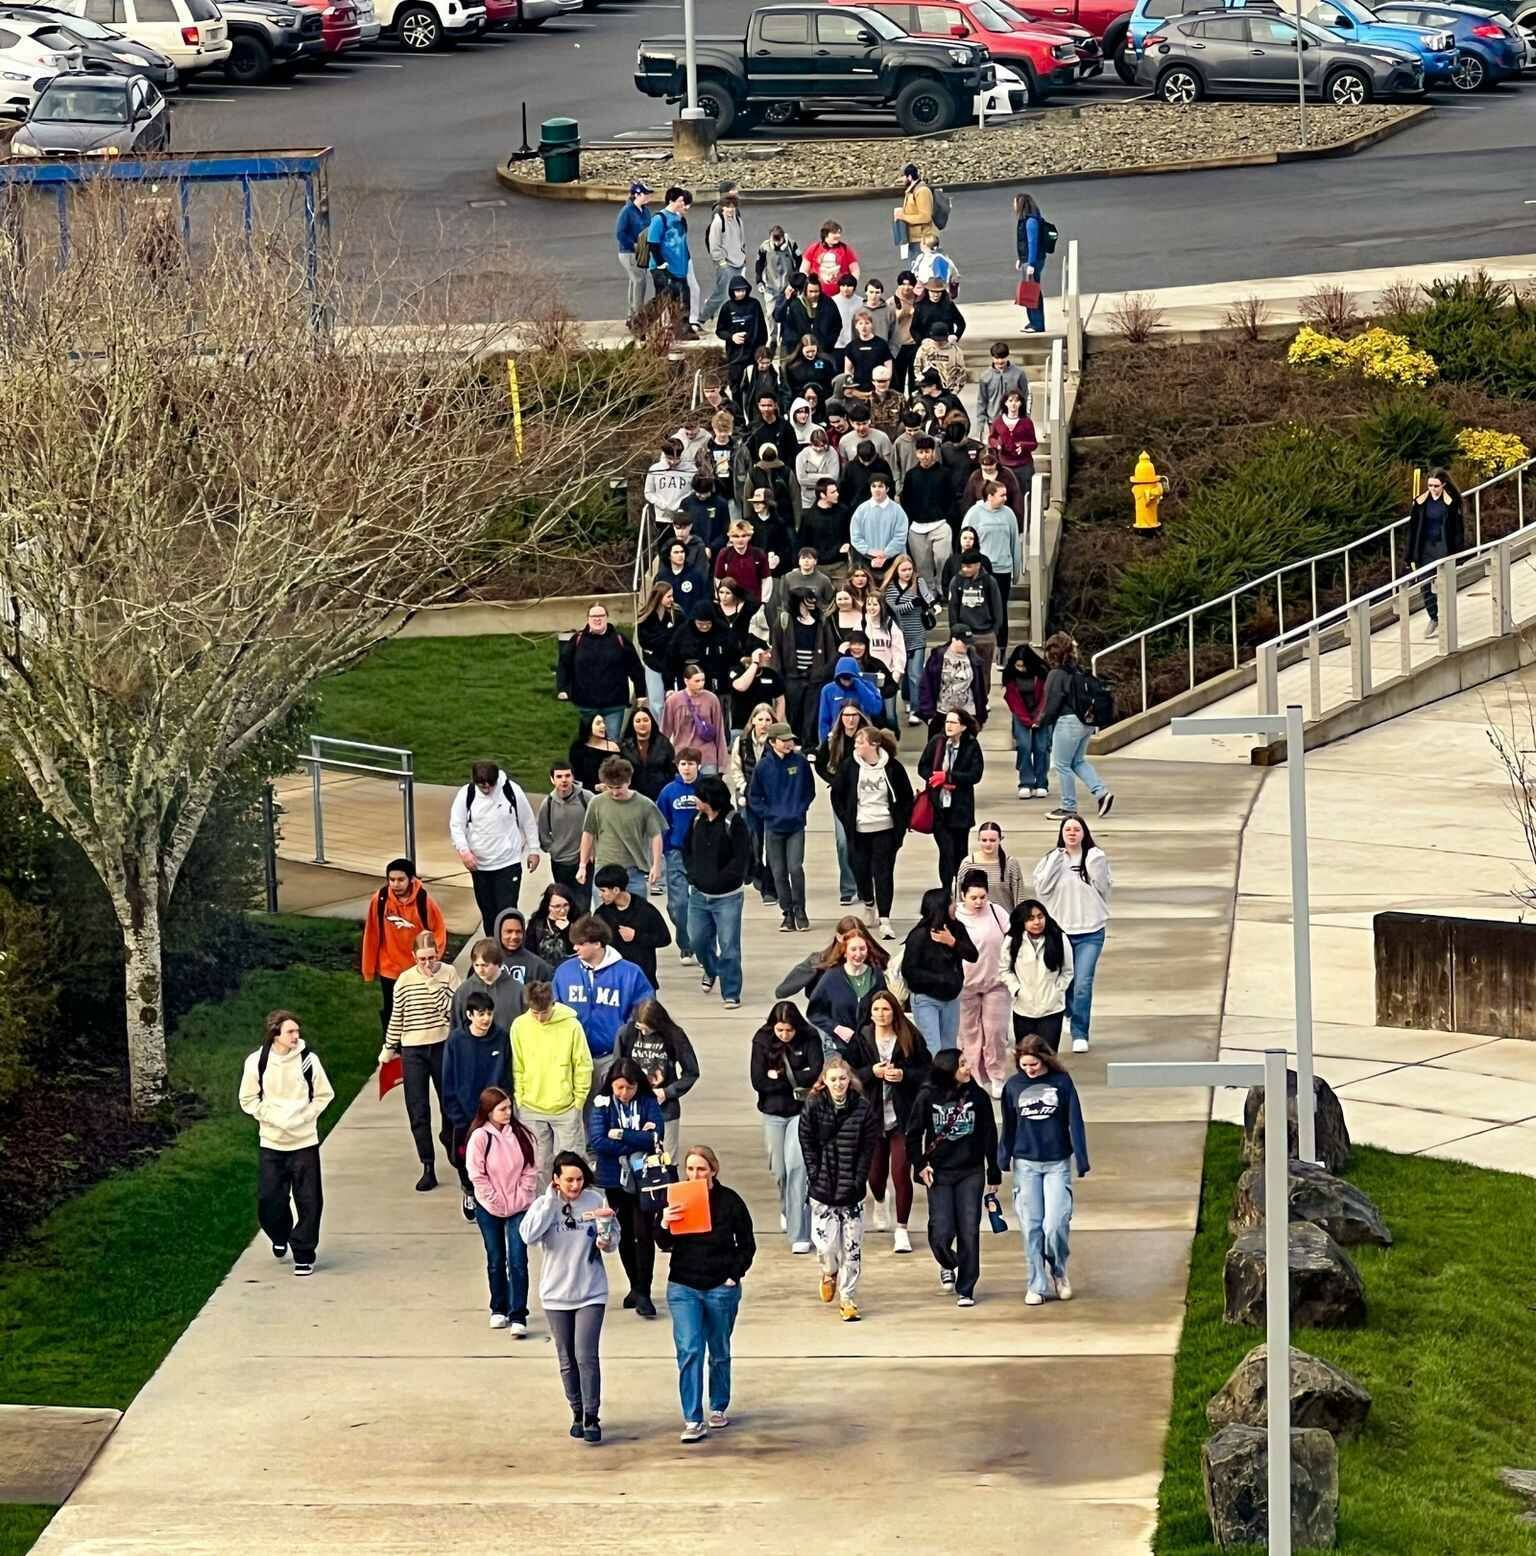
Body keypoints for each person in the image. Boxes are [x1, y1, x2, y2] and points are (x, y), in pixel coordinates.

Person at [655, 1144, 756, 1442]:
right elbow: (662, 1242)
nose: (695, 1174)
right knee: (689, 1349)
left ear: (713, 1170)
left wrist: (732, 1275)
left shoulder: (730, 1202)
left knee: (719, 1350)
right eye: (690, 1169)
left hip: (719, 1286)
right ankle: (692, 1417)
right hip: (684, 1285)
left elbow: (747, 1244)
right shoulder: (677, 1198)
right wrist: (664, 1221)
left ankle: (719, 1404)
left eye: (701, 1168)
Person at [520, 1151, 617, 1443]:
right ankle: (575, 1409)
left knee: (585, 1355)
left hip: (590, 1290)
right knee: (566, 1359)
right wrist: (550, 1203)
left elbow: (613, 1239)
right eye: (569, 1180)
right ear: (556, 1180)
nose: (575, 1186)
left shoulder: (595, 1201)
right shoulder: (544, 1205)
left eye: (579, 1179)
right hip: (555, 1293)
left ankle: (591, 1414)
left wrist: (606, 1239)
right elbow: (528, 1235)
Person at [238, 1008, 335, 1278]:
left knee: (309, 1199)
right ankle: (279, 1234)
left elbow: (324, 1095)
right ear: (275, 1035)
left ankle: (304, 1253)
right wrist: (271, 1118)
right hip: (272, 1142)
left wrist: (304, 1117)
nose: (296, 1035)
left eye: (297, 1031)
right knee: (270, 1199)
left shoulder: (308, 1061)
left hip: (304, 1142)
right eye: (290, 1031)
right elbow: (248, 1099)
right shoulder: (257, 1062)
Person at [906, 1048, 1000, 1307]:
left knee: (969, 1229)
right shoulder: (927, 1096)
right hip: (939, 1172)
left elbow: (989, 1133)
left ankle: (967, 1287)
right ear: (948, 1070)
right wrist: (920, 1164)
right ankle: (948, 1262)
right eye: (961, 1065)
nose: (968, 1068)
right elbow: (913, 1134)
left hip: (971, 1171)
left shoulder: (977, 1095)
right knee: (941, 1229)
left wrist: (994, 1169)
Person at [999, 1034, 1089, 1304]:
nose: (1029, 1070)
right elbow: (1009, 1124)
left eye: (1034, 1065)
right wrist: (1002, 1157)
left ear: (1044, 1059)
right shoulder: (1013, 1086)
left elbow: (1075, 1120)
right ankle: (1036, 1283)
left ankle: (1059, 1270)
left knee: (1056, 1224)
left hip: (1056, 1162)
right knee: (1032, 1226)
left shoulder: (1061, 1083)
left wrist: (1081, 1157)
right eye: (1024, 1065)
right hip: (1025, 1164)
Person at [798, 1054, 879, 1321]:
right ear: (825, 1080)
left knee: (852, 1248)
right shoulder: (813, 1105)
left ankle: (848, 1297)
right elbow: (806, 1142)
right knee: (825, 1246)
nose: (838, 1084)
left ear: (850, 1079)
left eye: (843, 1078)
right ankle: (828, 1271)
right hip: (823, 1189)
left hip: (852, 1190)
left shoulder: (863, 1108)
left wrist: (858, 1180)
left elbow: (868, 1148)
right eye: (833, 1079)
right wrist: (815, 1173)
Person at [849, 989, 930, 1253]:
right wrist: (872, 1073)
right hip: (872, 1116)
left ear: (895, 1011)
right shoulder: (862, 1038)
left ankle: (902, 1228)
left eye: (886, 1009)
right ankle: (880, 1199)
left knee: (900, 1172)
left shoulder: (910, 1036)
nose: (881, 1015)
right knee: (875, 1173)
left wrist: (904, 1074)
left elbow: (926, 1071)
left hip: (903, 1116)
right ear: (870, 1014)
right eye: (876, 1010)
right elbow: (849, 1073)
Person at [379, 930, 460, 1191]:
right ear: (413, 956)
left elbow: (452, 1011)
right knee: (418, 1110)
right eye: (422, 959)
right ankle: (427, 1164)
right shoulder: (404, 981)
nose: (427, 964)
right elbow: (397, 1017)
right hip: (413, 1049)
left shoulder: (448, 974)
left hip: (442, 1044)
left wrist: (434, 985)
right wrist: (389, 1048)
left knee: (449, 1102)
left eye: (431, 958)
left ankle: (450, 1140)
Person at [587, 1057, 665, 1318]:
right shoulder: (602, 1104)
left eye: (629, 1088)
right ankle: (635, 1285)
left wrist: (619, 1133)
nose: (623, 1093)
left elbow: (655, 1137)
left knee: (644, 1233)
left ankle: (644, 1290)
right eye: (619, 1087)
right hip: (615, 1179)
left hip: (644, 1178)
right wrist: (637, 1139)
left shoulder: (647, 1102)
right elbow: (598, 1140)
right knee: (626, 1232)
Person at [1033, 815, 1112, 1055]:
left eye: (1077, 829)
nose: (1072, 833)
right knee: (1065, 980)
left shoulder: (1094, 857)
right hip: (1061, 931)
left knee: (1083, 983)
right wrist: (1057, 860)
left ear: (1084, 833)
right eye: (1067, 829)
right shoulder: (1052, 858)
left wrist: (1094, 863)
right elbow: (1042, 888)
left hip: (1091, 931)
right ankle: (1069, 1012)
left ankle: (1080, 1032)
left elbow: (1104, 887)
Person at [750, 1000, 822, 1254]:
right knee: (779, 1170)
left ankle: (799, 1231)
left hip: (800, 1113)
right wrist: (791, 1081)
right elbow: (758, 1080)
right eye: (780, 1030)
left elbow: (815, 1072)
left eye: (789, 1030)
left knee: (797, 1168)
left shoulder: (810, 1037)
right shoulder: (762, 1040)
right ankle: (787, 1207)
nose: (784, 1035)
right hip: (772, 1113)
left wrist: (780, 1076)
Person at [465, 1086, 539, 1336]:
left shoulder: (521, 1135)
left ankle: (519, 1313)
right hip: (489, 1208)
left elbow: (530, 1169)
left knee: (518, 1260)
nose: (508, 1113)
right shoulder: (480, 1138)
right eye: (502, 1109)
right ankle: (498, 1308)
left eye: (509, 1108)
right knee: (496, 1259)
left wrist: (521, 1196)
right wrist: (494, 1200)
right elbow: (477, 1175)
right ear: (488, 1111)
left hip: (519, 1206)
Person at [554, 916, 655, 1093]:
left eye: (580, 943)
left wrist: (625, 1041)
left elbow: (645, 1011)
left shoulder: (630, 973)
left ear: (597, 944)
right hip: (573, 1059)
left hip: (612, 1058)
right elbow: (555, 1008)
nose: (575, 947)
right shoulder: (565, 971)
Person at [830, 726, 913, 940]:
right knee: (860, 870)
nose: (856, 746)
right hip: (859, 829)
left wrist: (901, 824)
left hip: (885, 829)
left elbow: (906, 797)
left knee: (883, 873)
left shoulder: (893, 767)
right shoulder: (849, 766)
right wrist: (847, 819)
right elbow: (837, 795)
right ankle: (868, 902)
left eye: (861, 742)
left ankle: (885, 918)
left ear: (874, 744)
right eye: (856, 742)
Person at [511, 980, 592, 1181]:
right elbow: (517, 1066)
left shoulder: (571, 1025)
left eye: (544, 1012)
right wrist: (519, 1099)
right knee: (538, 1167)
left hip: (565, 1108)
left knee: (572, 1165)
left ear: (552, 1004)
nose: (539, 1018)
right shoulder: (519, 1026)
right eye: (534, 1013)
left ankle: (572, 1209)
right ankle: (543, 1208)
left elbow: (582, 1064)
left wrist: (578, 1102)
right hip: (531, 1107)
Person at [443, 990, 513, 1220]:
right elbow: (448, 1079)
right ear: (469, 1014)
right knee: (463, 1158)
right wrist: (457, 1115)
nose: (486, 1018)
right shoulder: (456, 1040)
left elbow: (506, 1075)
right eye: (481, 1013)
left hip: (494, 1115)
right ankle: (469, 1191)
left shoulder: (501, 1037)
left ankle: (494, 1197)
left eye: (489, 1013)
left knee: (495, 1158)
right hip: (465, 1115)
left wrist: (504, 1109)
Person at [449, 763, 540, 937]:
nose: (486, 788)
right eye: (481, 784)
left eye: (490, 783)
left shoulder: (511, 791)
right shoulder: (466, 794)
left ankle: (509, 949)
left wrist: (534, 850)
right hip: (480, 867)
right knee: (488, 912)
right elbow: (456, 825)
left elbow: (527, 820)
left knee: (507, 912)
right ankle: (492, 949)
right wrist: (464, 852)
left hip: (508, 863)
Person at [684, 775, 751, 1009]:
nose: (695, 800)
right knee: (697, 940)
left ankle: (731, 991)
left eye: (698, 796)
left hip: (728, 898)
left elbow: (741, 858)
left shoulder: (734, 822)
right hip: (698, 896)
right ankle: (711, 970)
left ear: (709, 799)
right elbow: (687, 850)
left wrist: (722, 879)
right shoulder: (696, 821)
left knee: (729, 946)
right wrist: (692, 874)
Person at [361, 857, 446, 1038]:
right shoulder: (380, 900)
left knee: (417, 1011)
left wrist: (431, 962)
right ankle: (392, 1049)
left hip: (416, 968)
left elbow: (438, 932)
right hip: (389, 968)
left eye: (401, 880)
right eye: (392, 880)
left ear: (412, 879)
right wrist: (368, 969)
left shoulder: (425, 902)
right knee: (392, 1010)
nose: (396, 884)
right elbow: (372, 934)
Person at [749, 721, 815, 933]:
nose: (789, 743)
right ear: (772, 742)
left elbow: (809, 791)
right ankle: (787, 913)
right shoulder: (763, 766)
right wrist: (768, 814)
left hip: (795, 825)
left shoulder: (801, 762)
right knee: (778, 872)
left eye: (790, 740)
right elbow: (755, 797)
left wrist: (800, 809)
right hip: (773, 827)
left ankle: (800, 910)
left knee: (795, 868)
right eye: (784, 740)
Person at [1041, 632, 1113, 821]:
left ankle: (1068, 806)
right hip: (1085, 721)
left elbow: (1052, 702)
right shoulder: (1078, 671)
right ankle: (1101, 793)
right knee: (1077, 761)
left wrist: (1042, 721)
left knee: (1061, 765)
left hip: (1067, 721)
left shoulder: (1056, 674)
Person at [616, 997, 700, 1159]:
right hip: (633, 1110)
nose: (643, 1032)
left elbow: (691, 1072)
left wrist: (667, 1092)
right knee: (635, 1161)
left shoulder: (674, 1036)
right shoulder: (627, 1033)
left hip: (665, 1111)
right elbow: (617, 1069)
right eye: (640, 1028)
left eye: (647, 1029)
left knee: (666, 1161)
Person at [953, 870, 1012, 1099]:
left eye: (982, 897)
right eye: (973, 897)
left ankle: (996, 1075)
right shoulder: (955, 916)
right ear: (963, 896)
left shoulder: (998, 912)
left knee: (996, 1032)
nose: (979, 902)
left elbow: (1012, 939)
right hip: (965, 986)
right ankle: (974, 1076)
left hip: (996, 983)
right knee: (969, 1034)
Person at [901, 887, 977, 1054]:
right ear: (941, 907)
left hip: (951, 998)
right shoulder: (919, 935)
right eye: (951, 902)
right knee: (933, 1049)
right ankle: (933, 1079)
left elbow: (973, 955)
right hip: (926, 999)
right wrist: (940, 978)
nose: (956, 906)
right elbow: (909, 971)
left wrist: (952, 942)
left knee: (949, 1048)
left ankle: (948, 1079)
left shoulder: (956, 928)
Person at [578, 756, 665, 900]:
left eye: (619, 787)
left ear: (628, 781)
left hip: (633, 871)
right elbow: (588, 834)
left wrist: (656, 865)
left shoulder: (645, 805)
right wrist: (582, 865)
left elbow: (656, 836)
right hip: (604, 869)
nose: (615, 792)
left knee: (636, 917)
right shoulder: (596, 803)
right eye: (610, 787)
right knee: (603, 919)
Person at [918, 708, 985, 890]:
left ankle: (960, 885)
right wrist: (934, 779)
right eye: (947, 722)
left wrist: (949, 778)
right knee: (946, 850)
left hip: (960, 807)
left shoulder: (971, 745)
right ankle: (946, 888)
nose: (948, 726)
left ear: (963, 726)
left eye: (953, 722)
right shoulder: (937, 742)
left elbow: (975, 774)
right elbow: (922, 766)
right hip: (939, 806)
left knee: (960, 850)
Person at [815, 699, 870, 908]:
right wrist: (834, 781)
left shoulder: (868, 737)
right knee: (843, 842)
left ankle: (866, 884)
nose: (850, 719)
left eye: (854, 715)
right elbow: (820, 764)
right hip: (841, 799)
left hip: (865, 797)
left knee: (864, 842)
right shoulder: (832, 739)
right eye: (846, 715)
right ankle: (848, 887)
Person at [556, 603, 645, 731]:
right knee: (589, 745)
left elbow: (635, 667)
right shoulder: (577, 640)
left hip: (614, 705)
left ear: (607, 618)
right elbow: (564, 665)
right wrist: (562, 689)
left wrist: (640, 693)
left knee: (612, 744)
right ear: (588, 619)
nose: (597, 619)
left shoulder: (620, 639)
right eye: (593, 616)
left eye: (601, 615)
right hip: (585, 705)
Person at [1002, 898, 1074, 1054]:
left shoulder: (1059, 938)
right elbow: (1004, 969)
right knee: (1026, 1057)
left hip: (1051, 1010)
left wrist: (1058, 990)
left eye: (1040, 917)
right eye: (1030, 918)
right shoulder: (1012, 940)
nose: (1037, 922)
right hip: (1023, 1009)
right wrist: (1016, 990)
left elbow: (1068, 971)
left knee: (1047, 1056)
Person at [806, 921, 888, 1057]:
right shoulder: (831, 978)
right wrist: (836, 1028)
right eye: (853, 949)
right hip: (840, 1046)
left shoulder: (876, 976)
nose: (858, 954)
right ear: (844, 952)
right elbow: (815, 1013)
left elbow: (886, 1005)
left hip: (870, 1045)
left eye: (862, 949)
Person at [653, 746, 702, 963]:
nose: (687, 768)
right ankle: (685, 942)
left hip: (702, 853)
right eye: (683, 764)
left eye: (691, 764)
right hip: (675, 852)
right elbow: (659, 823)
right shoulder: (668, 792)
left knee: (701, 904)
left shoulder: (707, 788)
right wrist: (660, 853)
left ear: (698, 766)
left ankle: (701, 944)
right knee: (678, 905)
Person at [962, 481, 1023, 655]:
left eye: (1006, 494)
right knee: (981, 608)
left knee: (1000, 610)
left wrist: (1016, 571)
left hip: (1003, 569)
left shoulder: (1009, 514)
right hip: (982, 570)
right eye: (1001, 495)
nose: (1005, 498)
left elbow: (1014, 544)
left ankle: (1001, 650)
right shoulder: (974, 513)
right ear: (990, 496)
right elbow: (965, 539)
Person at [594, 863, 673, 989]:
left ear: (616, 890)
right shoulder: (601, 914)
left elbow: (664, 938)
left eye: (603, 890)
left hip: (643, 978)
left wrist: (637, 936)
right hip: (613, 980)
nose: (600, 895)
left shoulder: (645, 910)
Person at [1406, 467, 1464, 638]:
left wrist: (1457, 553)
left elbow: (1458, 530)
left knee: (1444, 585)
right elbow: (1414, 528)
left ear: (1444, 485)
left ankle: (1446, 620)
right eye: (1430, 485)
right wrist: (1410, 554)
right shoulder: (1421, 503)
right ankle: (1434, 617)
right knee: (1425, 585)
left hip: (1443, 548)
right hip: (1425, 549)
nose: (1432, 489)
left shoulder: (1451, 503)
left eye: (1436, 486)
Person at [884, 554, 937, 727]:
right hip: (899, 636)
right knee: (904, 672)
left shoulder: (918, 582)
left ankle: (916, 709)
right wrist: (912, 604)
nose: (907, 573)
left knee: (916, 674)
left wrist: (933, 605)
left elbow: (927, 597)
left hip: (918, 633)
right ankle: (907, 699)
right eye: (903, 569)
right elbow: (895, 609)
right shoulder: (891, 588)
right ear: (896, 570)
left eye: (909, 569)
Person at [947, 549, 1005, 686]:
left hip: (986, 634)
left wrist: (994, 631)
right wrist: (955, 632)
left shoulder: (989, 581)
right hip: (965, 635)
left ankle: (983, 701)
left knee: (984, 672)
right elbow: (953, 608)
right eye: (963, 566)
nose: (965, 569)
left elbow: (997, 608)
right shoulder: (956, 581)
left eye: (969, 566)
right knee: (963, 672)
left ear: (978, 565)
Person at [1002, 643, 1052, 801]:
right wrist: (1026, 721)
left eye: (1023, 666)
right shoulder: (1010, 676)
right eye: (1017, 666)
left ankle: (1041, 782)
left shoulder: (1042, 673)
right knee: (1024, 745)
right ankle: (1026, 782)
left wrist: (1038, 719)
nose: (1020, 669)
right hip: (1020, 713)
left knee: (1041, 747)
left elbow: (1046, 698)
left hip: (1041, 713)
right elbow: (1013, 701)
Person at [918, 626, 989, 731]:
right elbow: (926, 685)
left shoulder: (974, 659)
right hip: (942, 713)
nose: (967, 645)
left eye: (969, 642)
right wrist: (928, 714)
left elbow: (980, 689)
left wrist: (980, 716)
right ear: (954, 639)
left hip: (967, 714)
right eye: (964, 642)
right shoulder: (938, 657)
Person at [538, 763, 591, 895]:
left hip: (584, 861)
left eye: (567, 775)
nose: (564, 780)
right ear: (552, 780)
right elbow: (543, 832)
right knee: (564, 900)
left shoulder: (587, 798)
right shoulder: (548, 803)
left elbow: (599, 825)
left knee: (583, 903)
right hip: (560, 862)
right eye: (559, 776)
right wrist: (553, 849)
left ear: (573, 777)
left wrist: (592, 850)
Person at [954, 820, 1029, 913]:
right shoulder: (968, 864)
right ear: (978, 840)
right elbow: (959, 898)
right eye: (984, 840)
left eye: (992, 840)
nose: (988, 844)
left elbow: (1019, 897)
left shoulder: (1010, 864)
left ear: (1000, 839)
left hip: (1005, 921)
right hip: (975, 921)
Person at [646, 185, 694, 323]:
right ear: (671, 201)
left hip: (679, 267)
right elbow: (653, 243)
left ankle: (681, 326)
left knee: (682, 296)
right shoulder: (660, 219)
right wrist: (660, 263)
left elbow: (682, 242)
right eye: (681, 201)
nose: (683, 205)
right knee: (663, 298)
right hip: (664, 267)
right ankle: (640, 323)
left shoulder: (680, 220)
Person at [703, 190, 749, 324]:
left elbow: (741, 239)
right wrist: (722, 263)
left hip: (738, 261)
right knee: (721, 293)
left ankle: (732, 318)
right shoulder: (718, 222)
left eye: (733, 207)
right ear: (722, 207)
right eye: (727, 207)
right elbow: (714, 246)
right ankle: (703, 317)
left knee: (737, 292)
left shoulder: (738, 220)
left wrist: (743, 255)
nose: (730, 210)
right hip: (725, 264)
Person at [619, 704, 677, 804]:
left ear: (652, 722)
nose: (642, 724)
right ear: (632, 724)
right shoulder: (624, 746)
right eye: (638, 721)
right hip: (633, 797)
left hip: (660, 795)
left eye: (646, 720)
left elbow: (672, 770)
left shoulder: (664, 743)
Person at [615, 180, 653, 320]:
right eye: (646, 194)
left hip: (642, 251)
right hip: (629, 252)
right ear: (637, 195)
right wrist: (633, 245)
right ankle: (637, 314)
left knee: (635, 281)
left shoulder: (645, 211)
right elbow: (620, 233)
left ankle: (632, 314)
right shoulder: (627, 211)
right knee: (639, 280)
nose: (649, 196)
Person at [756, 224, 802, 333]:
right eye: (774, 240)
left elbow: (800, 261)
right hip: (771, 287)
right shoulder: (764, 247)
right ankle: (772, 338)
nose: (777, 243)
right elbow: (759, 264)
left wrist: (795, 281)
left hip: (788, 286)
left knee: (788, 312)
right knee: (770, 313)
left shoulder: (791, 244)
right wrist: (759, 281)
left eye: (779, 240)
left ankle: (785, 337)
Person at [1014, 192, 1048, 333]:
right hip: (1027, 260)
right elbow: (1026, 244)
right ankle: (1033, 321)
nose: (1014, 205)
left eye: (1015, 202)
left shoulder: (1031, 222)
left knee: (1032, 292)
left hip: (1032, 261)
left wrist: (1031, 264)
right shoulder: (1027, 221)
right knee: (1030, 291)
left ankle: (1037, 324)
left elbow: (1032, 243)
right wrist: (1021, 259)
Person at [988, 389, 1037, 483]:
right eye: (1010, 401)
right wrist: (997, 444)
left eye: (1017, 401)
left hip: (1023, 465)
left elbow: (1034, 443)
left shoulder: (1026, 422)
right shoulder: (997, 422)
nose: (1013, 404)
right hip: (1004, 465)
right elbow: (991, 438)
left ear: (1021, 403)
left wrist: (1024, 446)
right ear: (1005, 403)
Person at [976, 341, 1029, 427]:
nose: (1000, 361)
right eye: (997, 358)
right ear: (992, 357)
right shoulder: (985, 376)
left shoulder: (1019, 373)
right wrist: (981, 424)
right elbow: (981, 401)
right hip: (994, 421)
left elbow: (1025, 395)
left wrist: (1025, 416)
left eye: (1003, 358)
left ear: (1008, 356)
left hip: (1015, 420)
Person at [567, 711, 621, 796]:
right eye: (598, 723)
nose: (603, 726)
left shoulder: (613, 747)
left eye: (603, 723)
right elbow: (575, 779)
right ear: (588, 726)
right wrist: (596, 787)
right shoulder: (577, 749)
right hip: (586, 793)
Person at [528, 883, 580, 969]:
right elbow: (530, 952)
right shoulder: (536, 924)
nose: (562, 910)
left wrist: (567, 930)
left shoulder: (578, 922)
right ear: (548, 906)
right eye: (557, 907)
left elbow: (577, 952)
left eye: (565, 905)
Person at [645, 438, 695, 527]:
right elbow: (648, 492)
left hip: (683, 516)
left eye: (677, 458)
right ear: (664, 454)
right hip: (663, 517)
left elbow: (694, 491)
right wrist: (662, 505)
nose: (673, 462)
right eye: (670, 458)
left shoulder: (691, 469)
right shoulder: (655, 469)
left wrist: (682, 503)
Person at [892, 162, 935, 262]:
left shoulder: (922, 191)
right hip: (913, 237)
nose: (901, 180)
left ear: (910, 177)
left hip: (922, 240)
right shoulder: (911, 190)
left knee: (921, 272)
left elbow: (925, 217)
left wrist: (903, 216)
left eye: (903, 177)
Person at [804, 220, 860, 288]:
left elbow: (855, 270)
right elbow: (804, 270)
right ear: (825, 234)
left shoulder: (846, 249)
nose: (838, 235)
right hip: (818, 294)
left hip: (840, 294)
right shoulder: (813, 248)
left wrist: (851, 286)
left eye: (839, 233)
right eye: (835, 233)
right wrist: (809, 286)